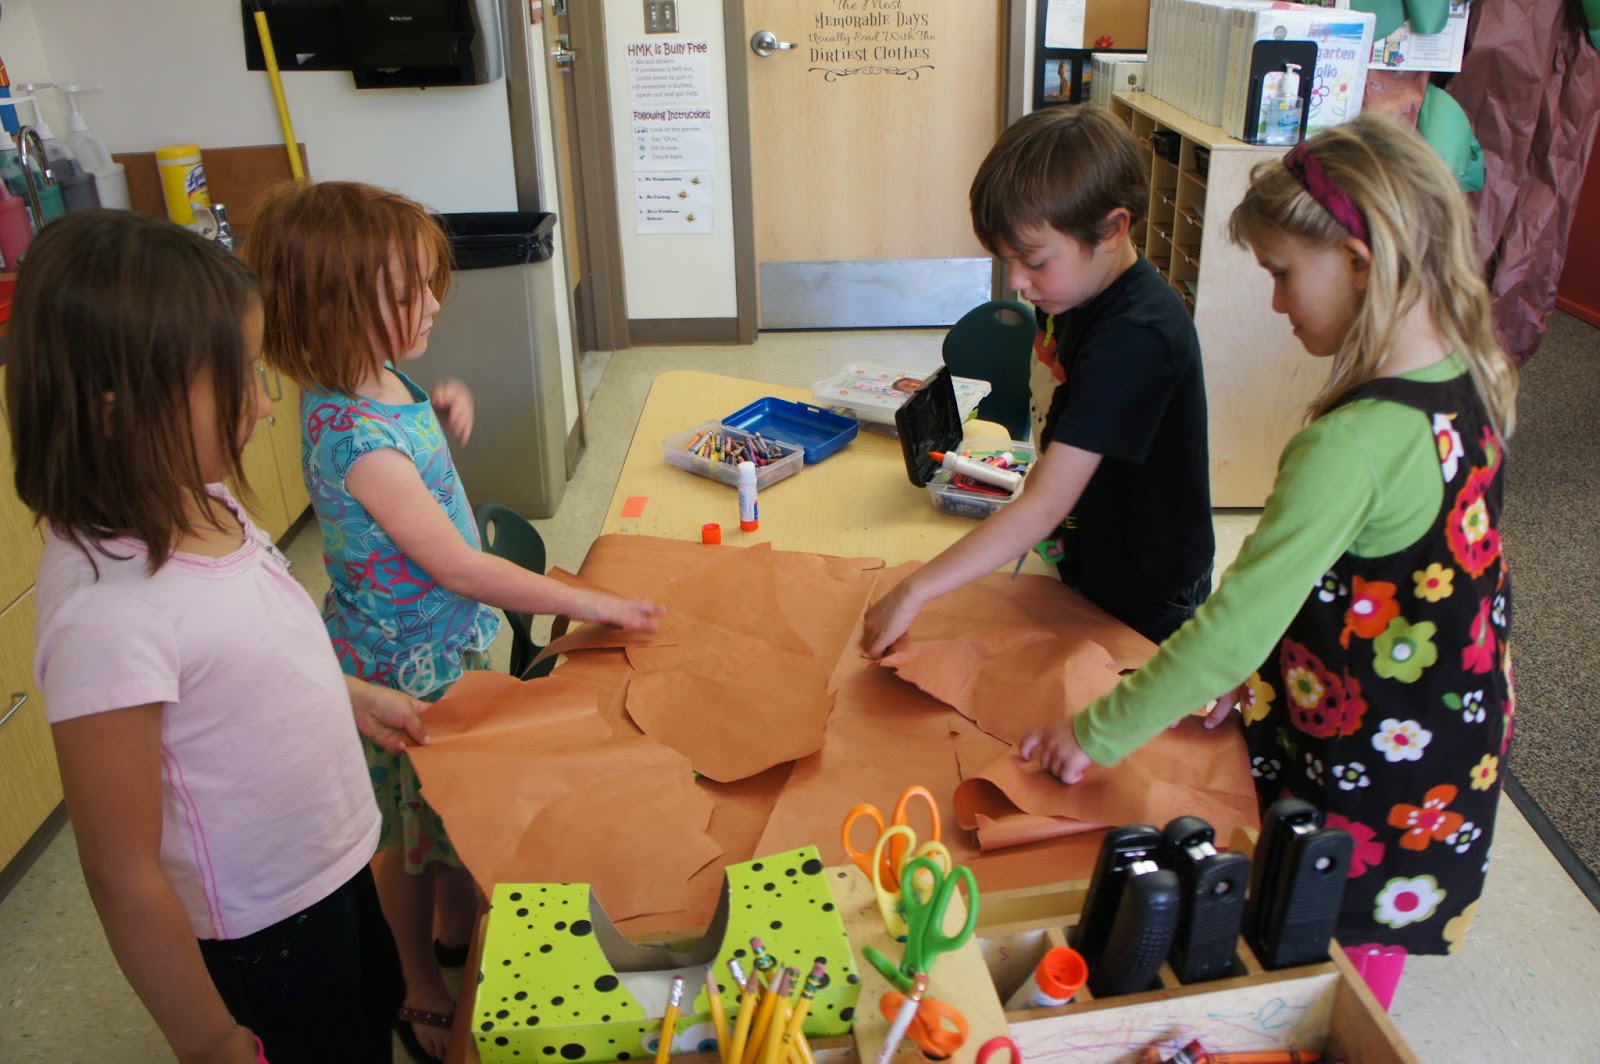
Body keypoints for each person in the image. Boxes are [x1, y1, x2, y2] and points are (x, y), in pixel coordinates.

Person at [1018, 115, 1517, 1008]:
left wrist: (1094, 732)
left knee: (1323, 950)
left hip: (1375, 758)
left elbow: (1237, 618)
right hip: (1445, 728)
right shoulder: (1469, 378)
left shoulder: (1352, 444)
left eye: (1285, 275)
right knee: (1353, 926)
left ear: (1363, 261)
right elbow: (1386, 586)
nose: (1279, 304)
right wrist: (1266, 678)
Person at [244, 180, 665, 1062]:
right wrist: (589, 599)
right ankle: (416, 979)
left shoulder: (379, 383)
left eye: (430, 283)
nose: (433, 303)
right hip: (404, 669)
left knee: (446, 820)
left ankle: (449, 931)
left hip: (451, 642)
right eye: (405, 295)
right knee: (406, 842)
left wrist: (434, 411)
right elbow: (460, 562)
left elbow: (406, 452)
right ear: (330, 310)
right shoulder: (357, 442)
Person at [8, 210, 426, 1062]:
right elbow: (120, 872)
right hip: (263, 925)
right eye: (236, 384)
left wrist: (349, 695)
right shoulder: (107, 614)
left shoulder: (200, 499)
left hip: (337, 860)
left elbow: (249, 653)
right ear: (122, 412)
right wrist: (207, 1039)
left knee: (367, 1012)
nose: (265, 406)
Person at [862, 105, 1214, 655]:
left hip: (1148, 592)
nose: (1018, 283)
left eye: (1034, 261)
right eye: (1006, 261)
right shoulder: (1076, 287)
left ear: (1113, 229)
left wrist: (915, 590)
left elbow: (1047, 503)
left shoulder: (1138, 338)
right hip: (1091, 549)